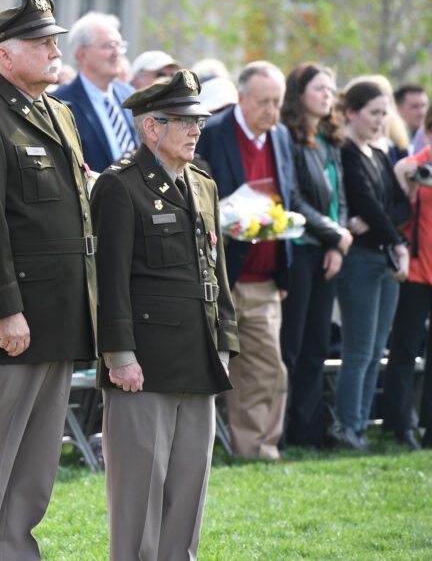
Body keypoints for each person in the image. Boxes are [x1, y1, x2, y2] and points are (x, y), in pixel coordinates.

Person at [0, 0, 96, 560]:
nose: (54, 49)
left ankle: (12, 552)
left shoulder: (58, 113)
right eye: (40, 42)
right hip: (6, 323)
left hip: (56, 318)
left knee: (34, 464)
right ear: (2, 56)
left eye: (55, 39)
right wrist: (6, 309)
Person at [91, 70, 237, 560]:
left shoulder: (203, 183)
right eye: (185, 122)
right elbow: (108, 280)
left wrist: (224, 343)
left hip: (198, 357)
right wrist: (118, 354)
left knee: (189, 487)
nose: (197, 130)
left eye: (199, 121)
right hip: (144, 363)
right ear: (152, 128)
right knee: (138, 492)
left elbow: (216, 271)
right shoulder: (119, 186)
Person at [196, 60, 295, 460]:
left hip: (266, 276)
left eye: (278, 102)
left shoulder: (282, 137)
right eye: (264, 102)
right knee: (217, 366)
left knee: (268, 367)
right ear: (241, 98)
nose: (272, 111)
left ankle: (258, 447)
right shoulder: (213, 134)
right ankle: (226, 446)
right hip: (223, 273)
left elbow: (290, 195)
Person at [278, 63, 353, 449]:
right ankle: (285, 428)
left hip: (326, 251)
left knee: (317, 345)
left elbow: (338, 198)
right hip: (300, 252)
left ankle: (308, 428)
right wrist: (335, 235)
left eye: (332, 88)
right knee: (291, 345)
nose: (329, 94)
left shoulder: (330, 139)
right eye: (320, 88)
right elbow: (294, 199)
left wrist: (336, 244)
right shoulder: (287, 137)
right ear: (299, 93)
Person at [333, 80, 410, 452]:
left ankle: (361, 425)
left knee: (377, 348)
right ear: (351, 112)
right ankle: (348, 426)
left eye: (384, 114)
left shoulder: (379, 154)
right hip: (361, 260)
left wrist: (381, 222)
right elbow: (364, 201)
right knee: (359, 350)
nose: (381, 121)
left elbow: (400, 207)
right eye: (374, 113)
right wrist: (392, 233)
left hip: (383, 258)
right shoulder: (346, 151)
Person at [385, 106, 432, 449]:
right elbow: (394, 216)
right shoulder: (416, 164)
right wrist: (413, 181)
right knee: (404, 349)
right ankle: (400, 426)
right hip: (415, 270)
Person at [53, 11, 137, 172]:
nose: (117, 53)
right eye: (110, 46)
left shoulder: (130, 95)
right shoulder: (60, 104)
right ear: (82, 54)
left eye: (120, 46)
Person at [395, 84, 429, 154]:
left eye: (424, 105)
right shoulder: (392, 143)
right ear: (398, 109)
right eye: (415, 107)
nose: (422, 112)